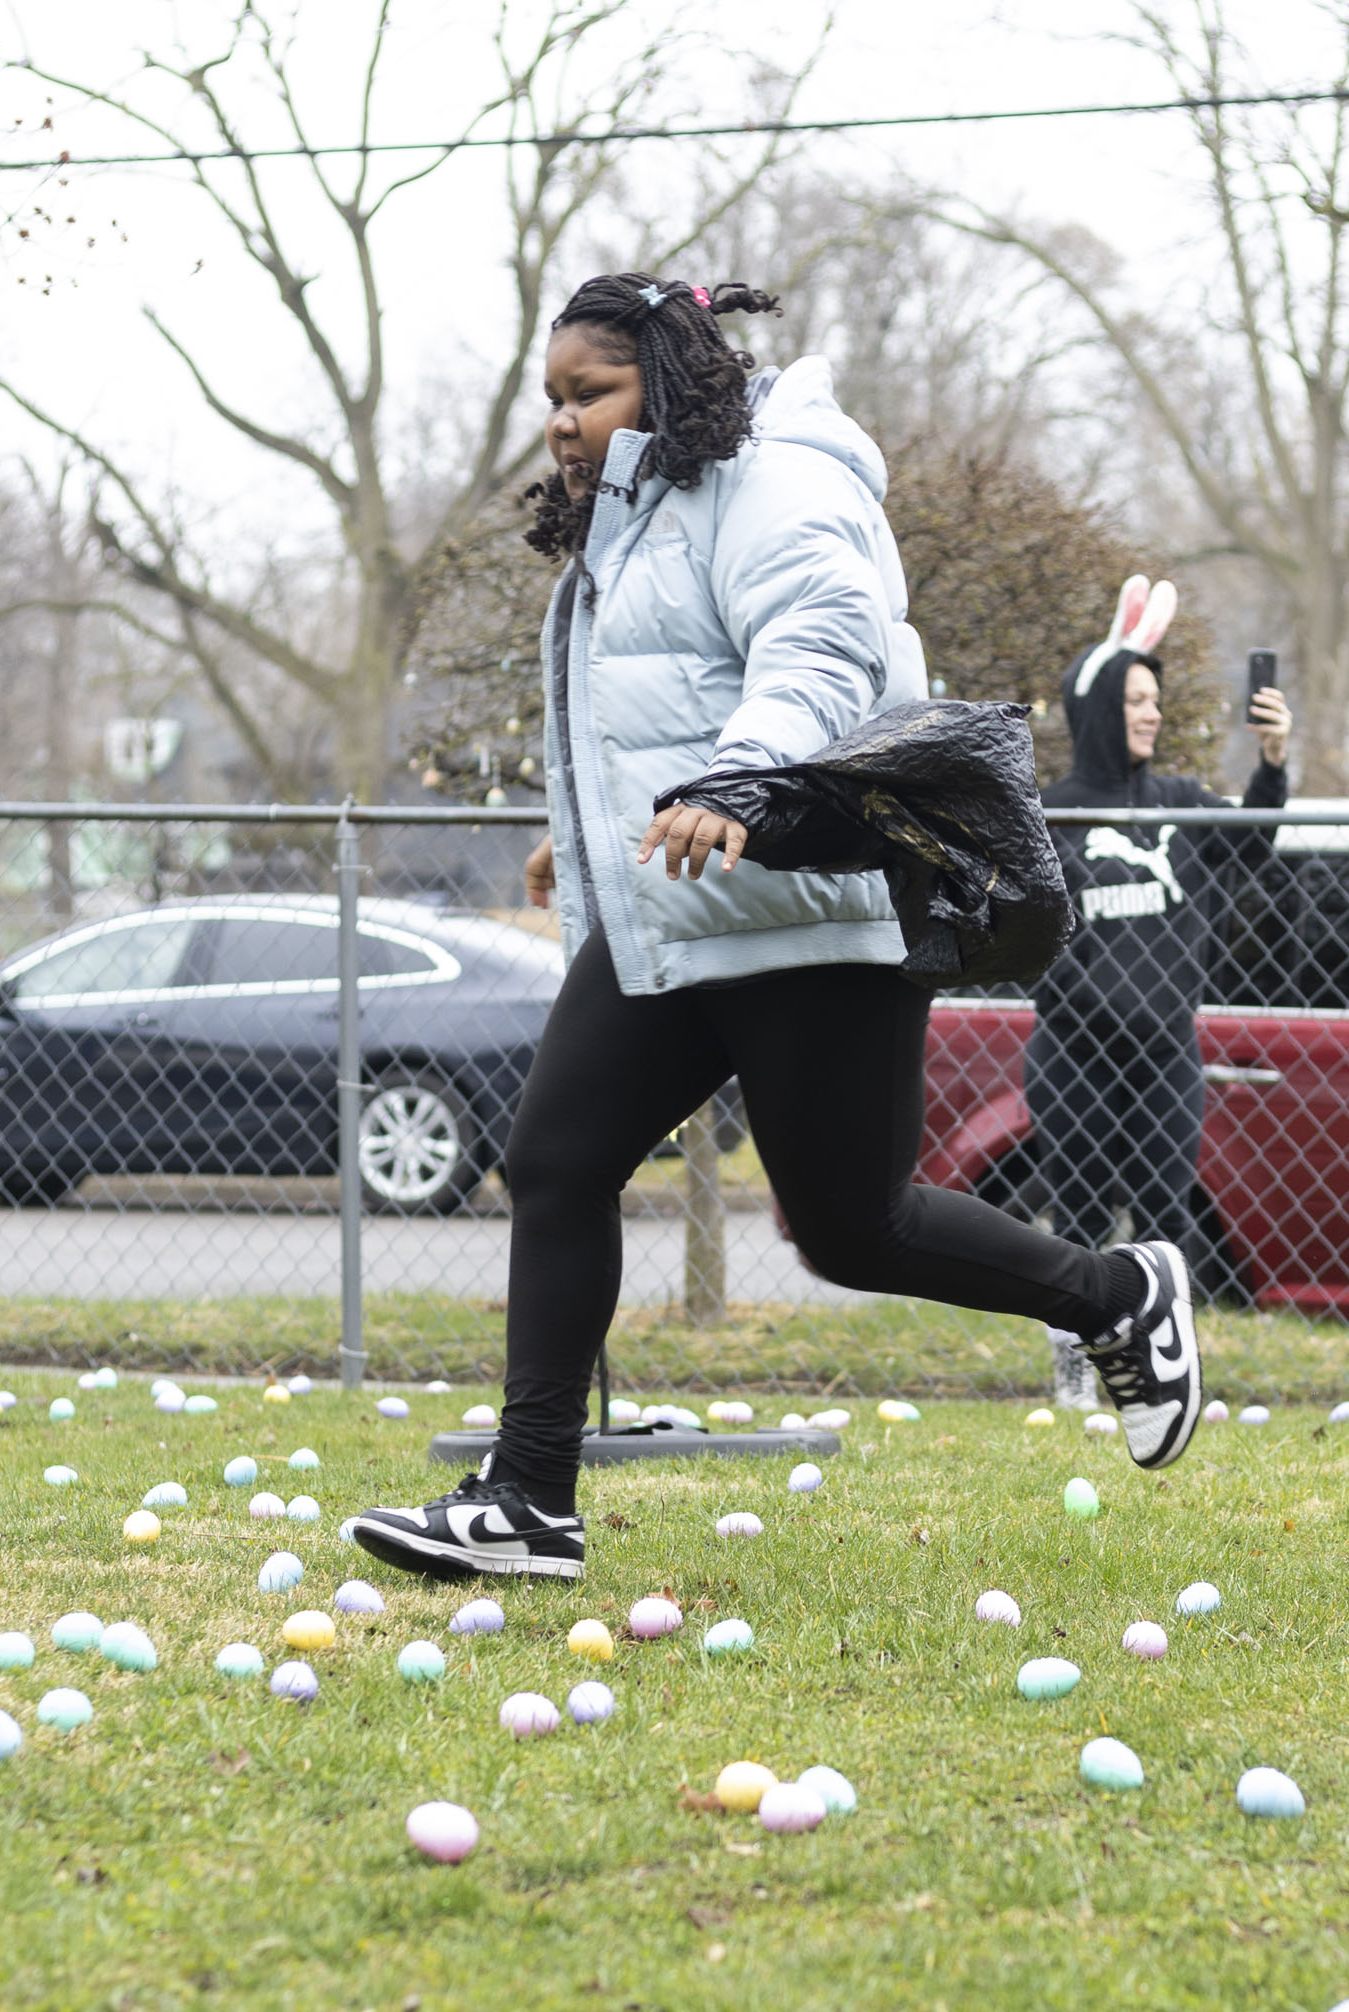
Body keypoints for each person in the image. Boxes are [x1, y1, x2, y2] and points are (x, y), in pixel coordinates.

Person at [347, 274, 1208, 1584]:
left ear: (672, 381)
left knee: (854, 1229)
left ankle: (1117, 1297)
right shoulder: (624, 531)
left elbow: (821, 642)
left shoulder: (775, 480)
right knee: (556, 1159)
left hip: (810, 908)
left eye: (592, 394)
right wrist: (581, 832)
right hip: (678, 916)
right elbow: (648, 708)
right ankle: (529, 1500)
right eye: (553, 401)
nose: (563, 425)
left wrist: (738, 777)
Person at [1027, 581, 1288, 1408]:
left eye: (1156, 700)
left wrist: (1273, 764)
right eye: (1135, 699)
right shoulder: (1053, 814)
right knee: (1079, 1220)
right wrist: (1096, 1008)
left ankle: (1154, 1370)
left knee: (1164, 1218)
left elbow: (1255, 844)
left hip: (1167, 1055)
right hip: (1077, 1056)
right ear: (1100, 706)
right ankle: (1074, 1368)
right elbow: (1036, 942)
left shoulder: (1178, 803)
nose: (1151, 713)